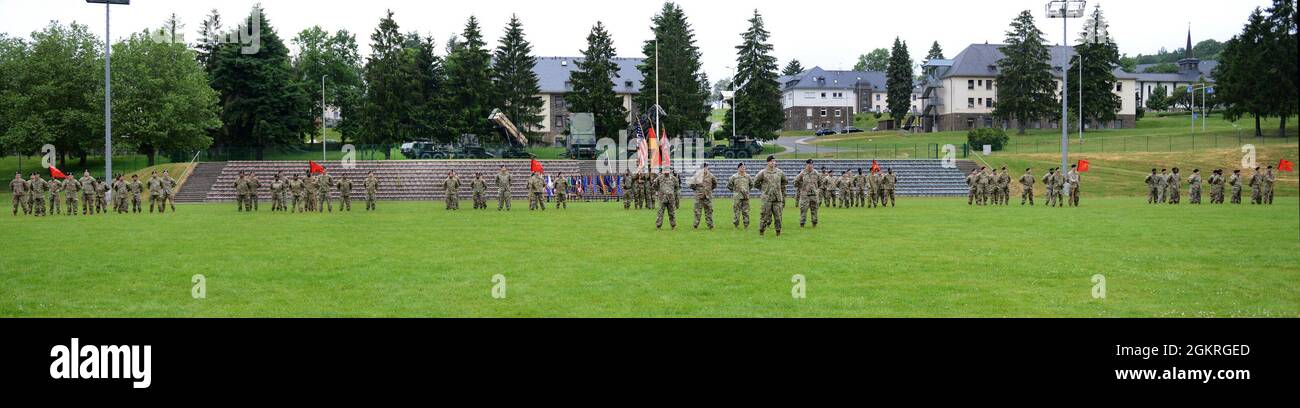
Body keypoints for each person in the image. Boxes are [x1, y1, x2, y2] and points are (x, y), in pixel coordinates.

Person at [754, 156, 788, 236]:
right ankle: (762, 231)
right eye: (771, 161)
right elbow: (755, 183)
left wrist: (779, 188)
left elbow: (785, 181)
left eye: (774, 161)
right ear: (768, 162)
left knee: (778, 217)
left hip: (777, 198)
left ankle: (778, 232)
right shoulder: (763, 172)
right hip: (767, 199)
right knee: (764, 216)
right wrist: (764, 190)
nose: (773, 162)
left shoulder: (780, 172)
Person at [690, 163, 717, 229]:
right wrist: (698, 190)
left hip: (708, 197)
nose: (705, 169)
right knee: (697, 212)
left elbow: (715, 184)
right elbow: (691, 185)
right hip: (699, 197)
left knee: (709, 211)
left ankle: (710, 225)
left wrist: (709, 190)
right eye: (703, 167)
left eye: (706, 167)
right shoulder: (697, 176)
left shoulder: (711, 176)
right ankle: (695, 225)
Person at [794, 160, 820, 228]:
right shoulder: (802, 173)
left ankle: (814, 224)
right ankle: (802, 224)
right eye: (808, 164)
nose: (810, 165)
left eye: (811, 164)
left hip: (814, 195)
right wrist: (801, 187)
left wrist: (816, 189)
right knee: (803, 210)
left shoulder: (816, 173)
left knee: (814, 210)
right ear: (806, 165)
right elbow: (796, 182)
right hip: (805, 196)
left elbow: (820, 182)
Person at [728, 162, 753, 229]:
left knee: (746, 211)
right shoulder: (734, 177)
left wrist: (747, 191)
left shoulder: (748, 176)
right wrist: (735, 191)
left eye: (743, 167)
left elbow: (751, 185)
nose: (742, 168)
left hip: (745, 197)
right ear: (738, 168)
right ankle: (736, 225)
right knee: (737, 211)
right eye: (741, 167)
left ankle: (746, 225)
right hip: (737, 196)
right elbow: (729, 185)